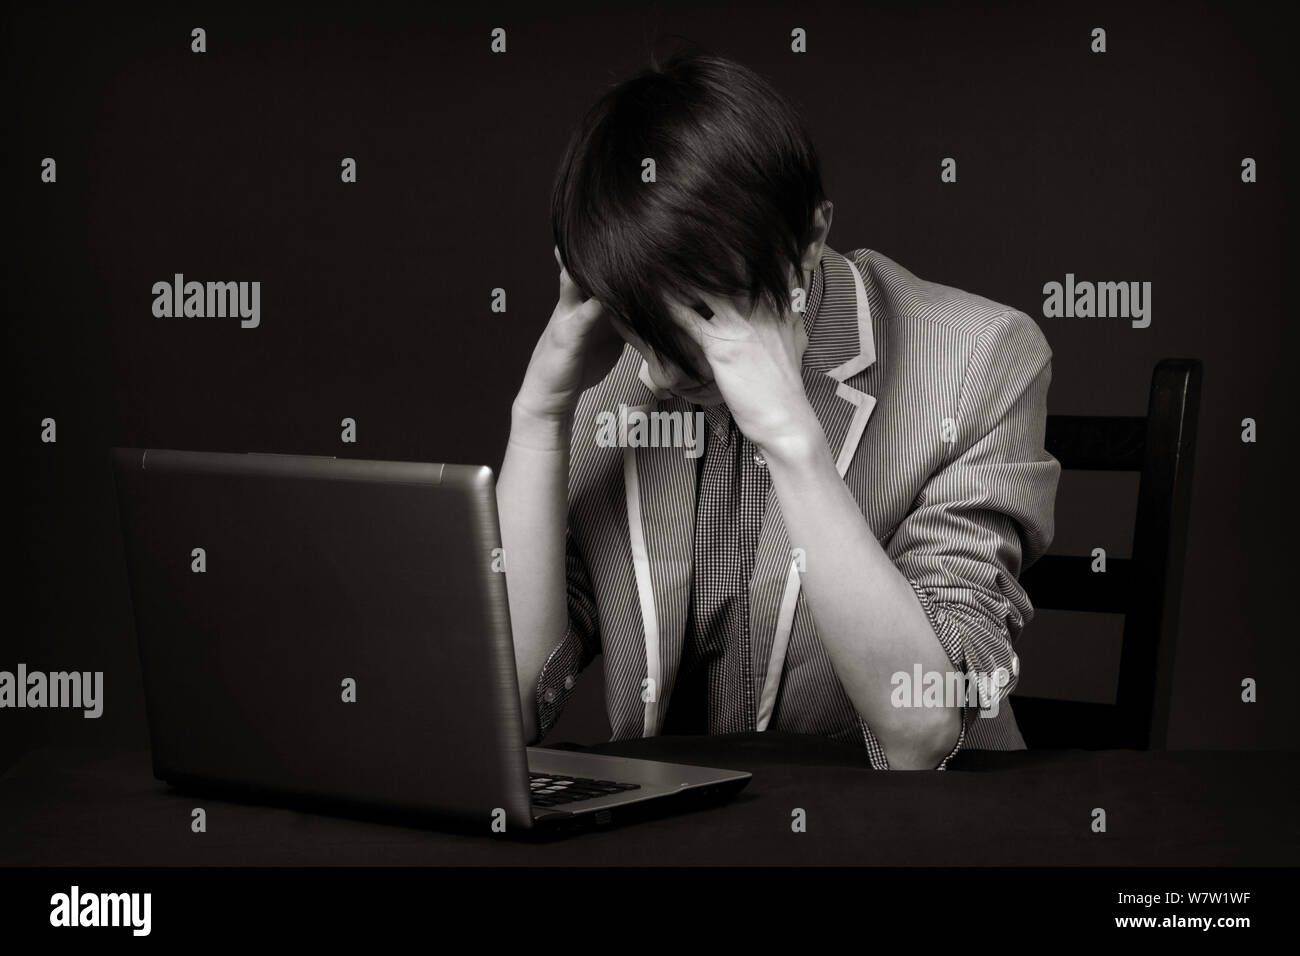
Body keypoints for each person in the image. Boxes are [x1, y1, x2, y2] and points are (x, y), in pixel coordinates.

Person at [496, 51, 1059, 770]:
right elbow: (511, 708)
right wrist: (539, 417)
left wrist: (792, 438)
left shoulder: (981, 358)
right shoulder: (607, 377)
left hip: (908, 828)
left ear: (808, 241)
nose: (662, 371)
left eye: (699, 315)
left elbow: (921, 730)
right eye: (642, 325)